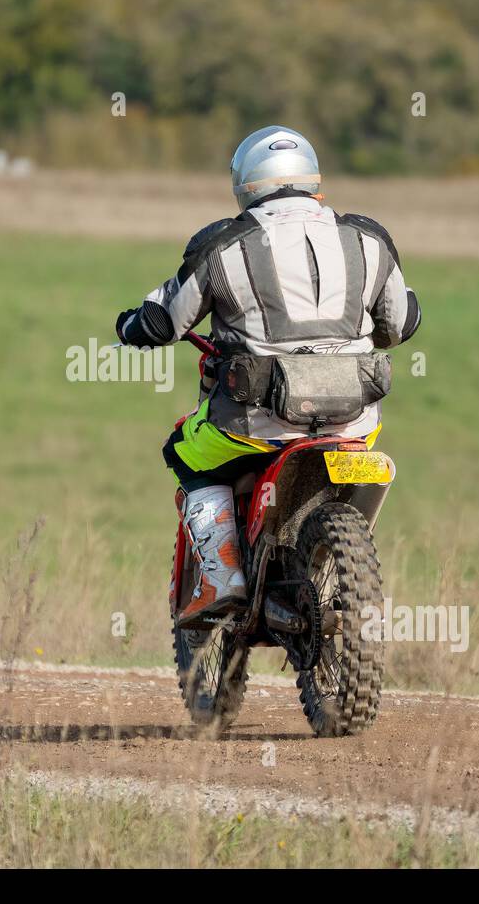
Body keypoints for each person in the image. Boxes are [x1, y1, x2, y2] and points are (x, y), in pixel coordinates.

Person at [115, 126, 422, 623]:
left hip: (258, 424)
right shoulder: (370, 238)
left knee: (188, 457)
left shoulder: (222, 243)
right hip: (354, 421)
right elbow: (401, 325)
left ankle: (223, 577)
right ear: (314, 181)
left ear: (246, 185)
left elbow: (165, 321)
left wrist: (130, 326)